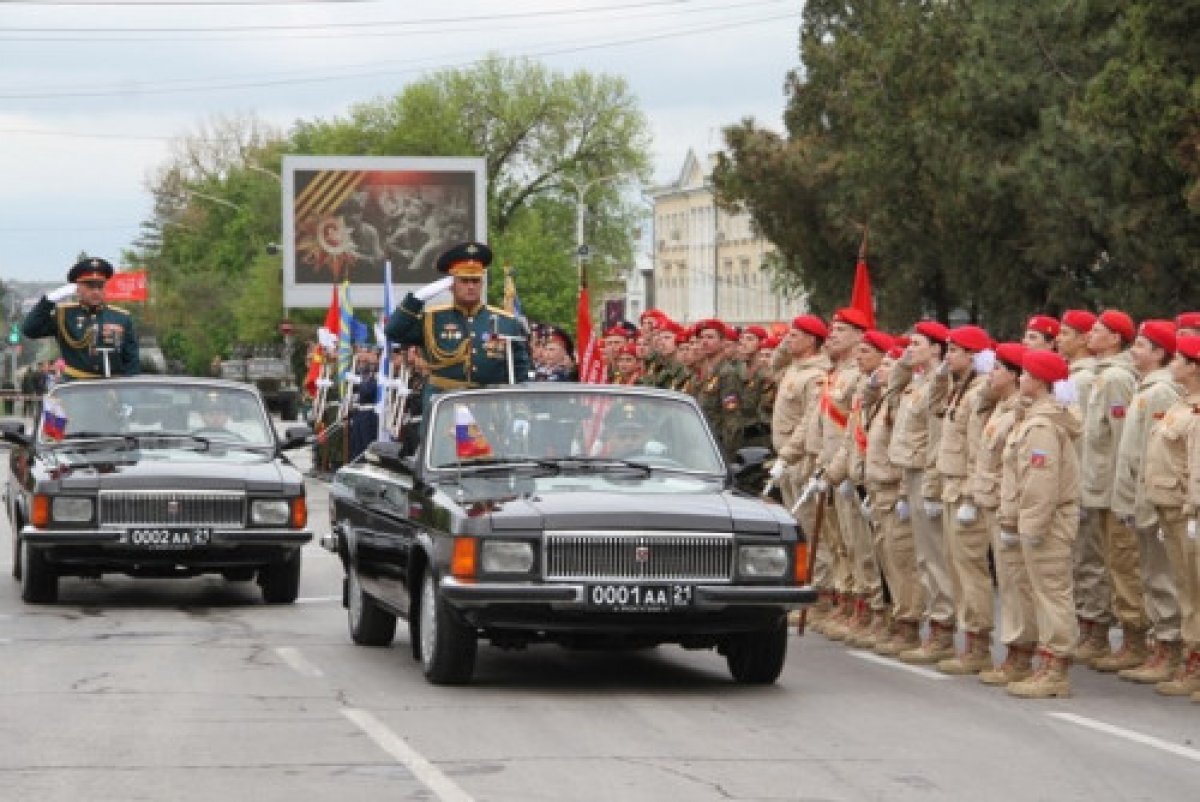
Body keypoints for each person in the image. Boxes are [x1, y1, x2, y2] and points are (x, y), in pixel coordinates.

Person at [1000, 349, 1081, 699]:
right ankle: (1047, 662)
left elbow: (1039, 483)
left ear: (1038, 380)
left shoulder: (1043, 426)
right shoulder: (1034, 418)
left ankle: (1056, 668)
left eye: (1025, 374)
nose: (1020, 379)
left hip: (1047, 525)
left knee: (1052, 594)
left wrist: (1030, 527)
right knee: (1043, 591)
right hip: (1040, 521)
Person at [385, 241, 531, 413]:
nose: (470, 286)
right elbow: (393, 332)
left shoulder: (506, 321)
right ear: (451, 285)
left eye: (475, 281)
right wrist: (417, 298)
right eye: (464, 280)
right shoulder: (433, 318)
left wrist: (521, 411)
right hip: (445, 407)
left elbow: (519, 370)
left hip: (489, 409)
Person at [22, 257, 140, 379]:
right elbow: (30, 330)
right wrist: (49, 300)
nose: (95, 291)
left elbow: (132, 361)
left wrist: (129, 393)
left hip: (112, 387)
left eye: (100, 286)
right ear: (77, 288)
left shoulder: (121, 317)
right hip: (76, 387)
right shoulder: (64, 314)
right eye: (90, 286)